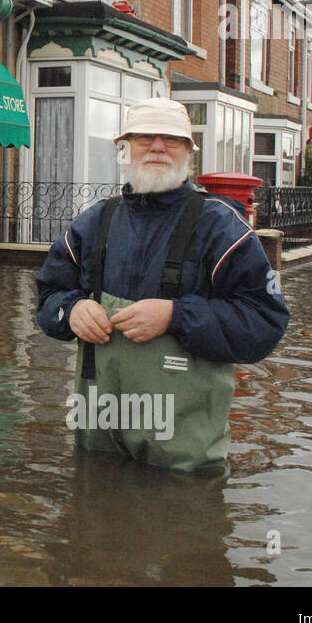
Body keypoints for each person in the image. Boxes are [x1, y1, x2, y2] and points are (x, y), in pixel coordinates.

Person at [35, 98, 289, 471]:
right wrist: (70, 310)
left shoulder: (222, 229)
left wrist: (176, 316)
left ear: (188, 151)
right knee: (90, 514)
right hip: (99, 441)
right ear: (126, 147)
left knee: (179, 524)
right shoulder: (93, 224)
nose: (157, 147)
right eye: (144, 138)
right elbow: (47, 296)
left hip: (183, 457)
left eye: (170, 139)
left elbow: (266, 323)